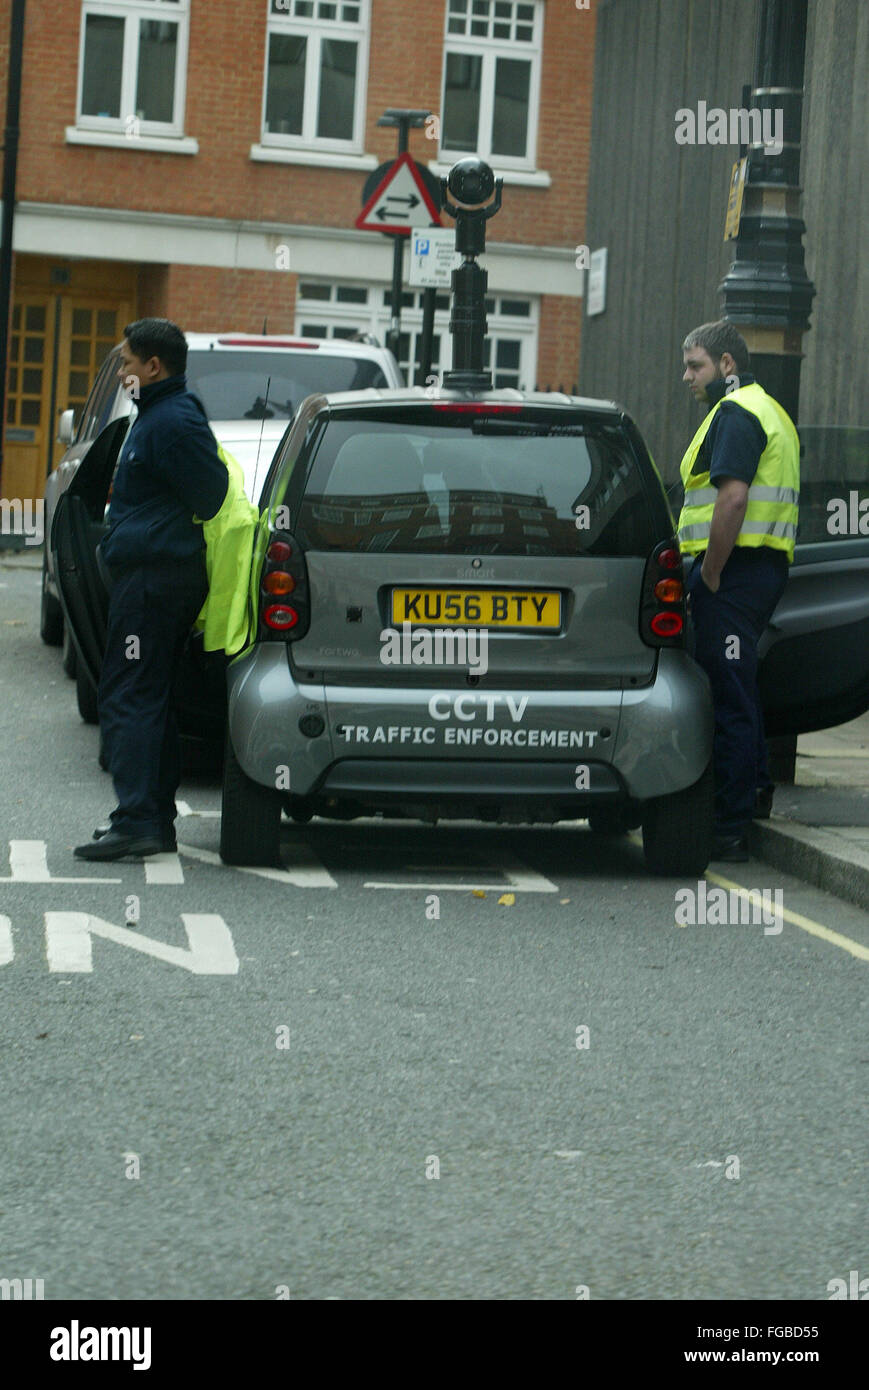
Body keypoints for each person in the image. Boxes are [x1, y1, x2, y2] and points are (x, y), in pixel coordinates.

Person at [74, 319, 228, 861]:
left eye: (127, 363)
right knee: (150, 698)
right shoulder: (156, 415)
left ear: (153, 367)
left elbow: (210, 494)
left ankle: (136, 819)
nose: (122, 372)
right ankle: (152, 820)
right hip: (150, 575)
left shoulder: (173, 421)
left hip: (155, 580)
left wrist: (154, 532)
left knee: (130, 695)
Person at [677, 320, 800, 862]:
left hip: (733, 571)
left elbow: (731, 500)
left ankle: (728, 827)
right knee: (740, 684)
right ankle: (753, 795)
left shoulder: (737, 413)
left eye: (696, 365)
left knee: (727, 693)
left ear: (727, 364)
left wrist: (709, 573)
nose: (688, 377)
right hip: (759, 569)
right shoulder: (771, 411)